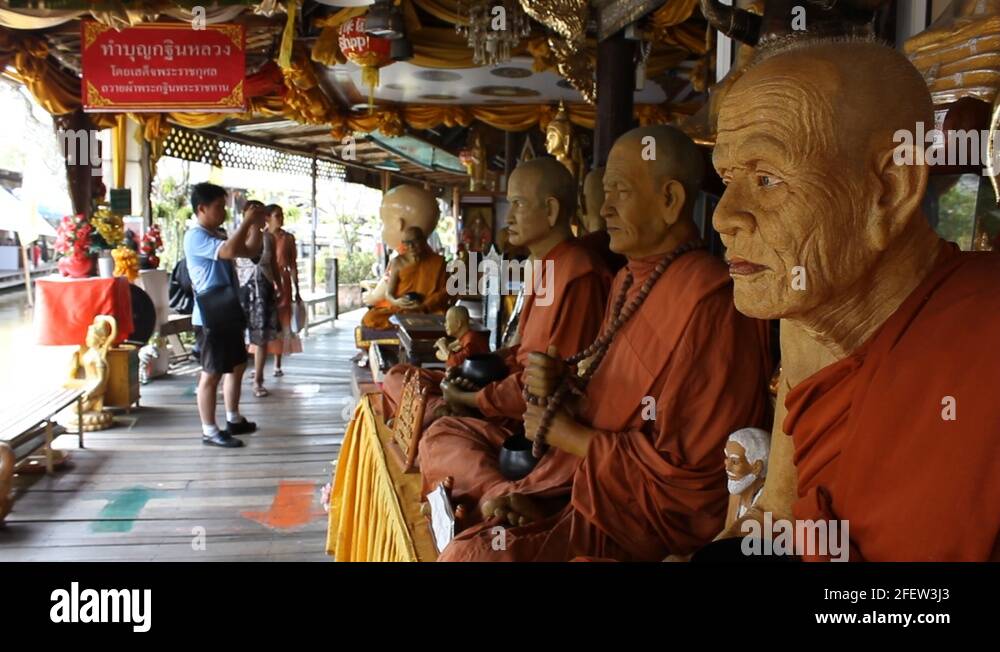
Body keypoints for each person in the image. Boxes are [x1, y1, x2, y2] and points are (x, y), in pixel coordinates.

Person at [712, 36, 1000, 561]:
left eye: (767, 179)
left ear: (888, 189)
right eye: (727, 179)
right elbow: (779, 517)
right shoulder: (811, 312)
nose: (723, 217)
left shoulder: (984, 345)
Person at [437, 126, 772, 561]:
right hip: (587, 482)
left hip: (643, 520)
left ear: (669, 201)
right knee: (466, 500)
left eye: (619, 192)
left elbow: (694, 483)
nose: (603, 208)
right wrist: (560, 386)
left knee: (474, 553)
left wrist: (570, 436)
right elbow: (606, 399)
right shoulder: (627, 280)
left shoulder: (711, 298)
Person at [415, 156, 612, 523]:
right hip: (511, 409)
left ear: (551, 210)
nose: (508, 217)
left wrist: (475, 398)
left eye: (518, 204)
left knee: (440, 435)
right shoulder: (548, 266)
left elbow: (552, 382)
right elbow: (523, 355)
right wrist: (475, 379)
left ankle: (500, 497)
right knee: (422, 398)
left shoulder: (578, 273)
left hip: (539, 433)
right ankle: (490, 494)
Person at [184, 182, 265, 448]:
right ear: (201, 208)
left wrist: (255, 225)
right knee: (211, 372)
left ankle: (233, 417)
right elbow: (230, 251)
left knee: (237, 365)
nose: (223, 212)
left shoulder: (216, 235)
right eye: (218, 207)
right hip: (209, 314)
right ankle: (209, 429)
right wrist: (246, 221)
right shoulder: (195, 236)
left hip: (227, 308)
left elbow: (251, 251)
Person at [361, 225, 450, 329]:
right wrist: (396, 301)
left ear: (423, 240)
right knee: (370, 318)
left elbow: (446, 291)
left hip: (428, 310)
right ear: (403, 244)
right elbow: (389, 293)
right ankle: (413, 322)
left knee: (445, 317)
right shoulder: (397, 262)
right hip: (402, 309)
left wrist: (425, 305)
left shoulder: (438, 262)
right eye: (407, 243)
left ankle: (410, 322)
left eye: (415, 241)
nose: (411, 246)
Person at [237, 200, 279, 397]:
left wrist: (279, 287)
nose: (259, 218)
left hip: (264, 289)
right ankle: (232, 379)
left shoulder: (268, 239)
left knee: (261, 338)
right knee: (238, 337)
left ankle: (258, 380)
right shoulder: (236, 236)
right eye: (254, 214)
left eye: (262, 214)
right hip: (243, 290)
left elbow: (274, 265)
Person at [266, 204, 302, 376]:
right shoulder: (260, 237)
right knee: (265, 319)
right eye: (277, 215)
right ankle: (259, 360)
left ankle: (277, 363)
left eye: (282, 215)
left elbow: (293, 264)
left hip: (283, 280)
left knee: (282, 320)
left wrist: (297, 290)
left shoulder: (287, 238)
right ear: (268, 218)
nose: (281, 218)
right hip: (265, 281)